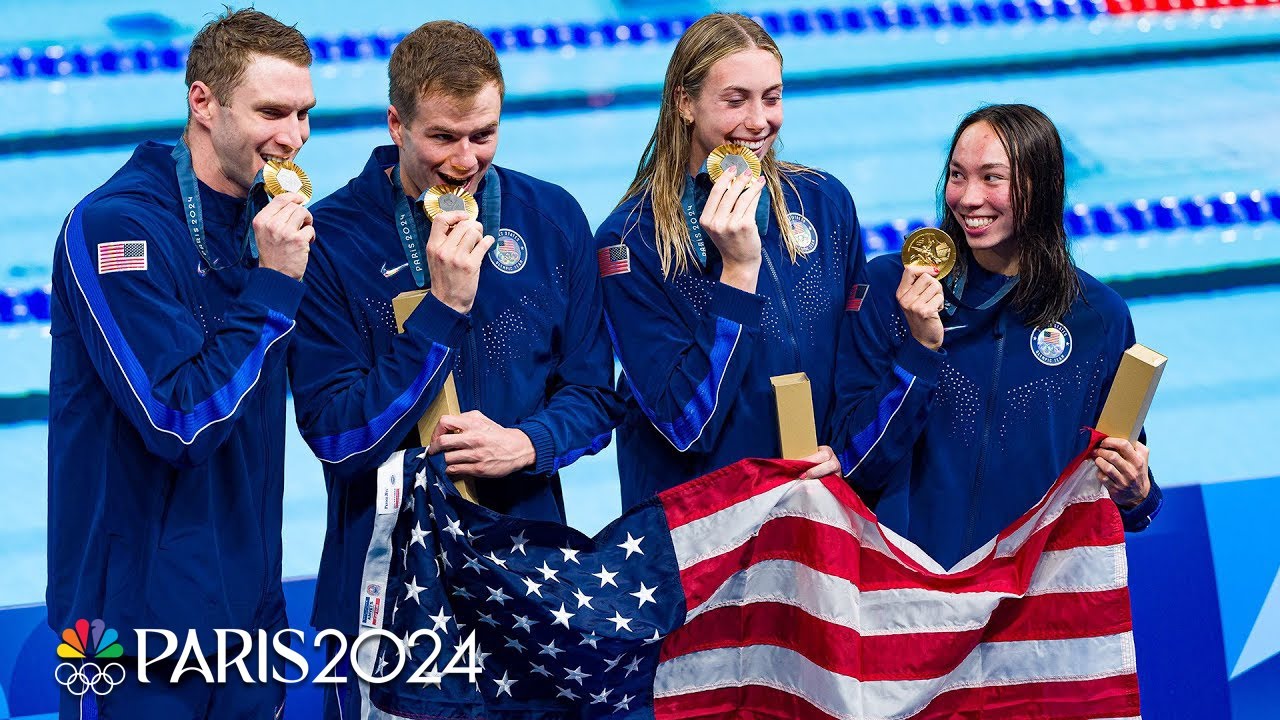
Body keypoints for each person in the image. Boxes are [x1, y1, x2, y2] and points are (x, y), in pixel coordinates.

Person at [286, 21, 619, 716]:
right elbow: (337, 435)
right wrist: (440, 309)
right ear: (396, 123)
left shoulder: (552, 217)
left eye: (484, 135)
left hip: (524, 582)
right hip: (386, 595)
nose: (466, 160)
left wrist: (526, 444)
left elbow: (592, 395)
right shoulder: (333, 242)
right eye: (443, 137)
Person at [46, 8, 314, 717]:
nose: (293, 138)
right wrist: (275, 286)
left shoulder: (263, 224)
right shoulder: (116, 228)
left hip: (249, 629)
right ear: (204, 102)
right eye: (271, 112)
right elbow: (179, 420)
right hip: (127, 637)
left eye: (303, 114)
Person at [833, 104, 1162, 569]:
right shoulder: (888, 288)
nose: (968, 198)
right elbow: (850, 463)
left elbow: (1118, 475)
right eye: (957, 175)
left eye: (992, 178)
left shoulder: (1098, 317)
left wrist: (1139, 494)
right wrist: (919, 353)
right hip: (904, 595)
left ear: (1041, 189)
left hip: (1025, 606)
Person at [596, 13, 865, 507]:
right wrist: (739, 274)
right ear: (684, 102)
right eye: (736, 100)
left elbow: (858, 360)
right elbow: (683, 424)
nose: (760, 121)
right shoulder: (630, 243)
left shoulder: (825, 203)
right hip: (704, 532)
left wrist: (847, 451)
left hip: (813, 513)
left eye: (772, 97)